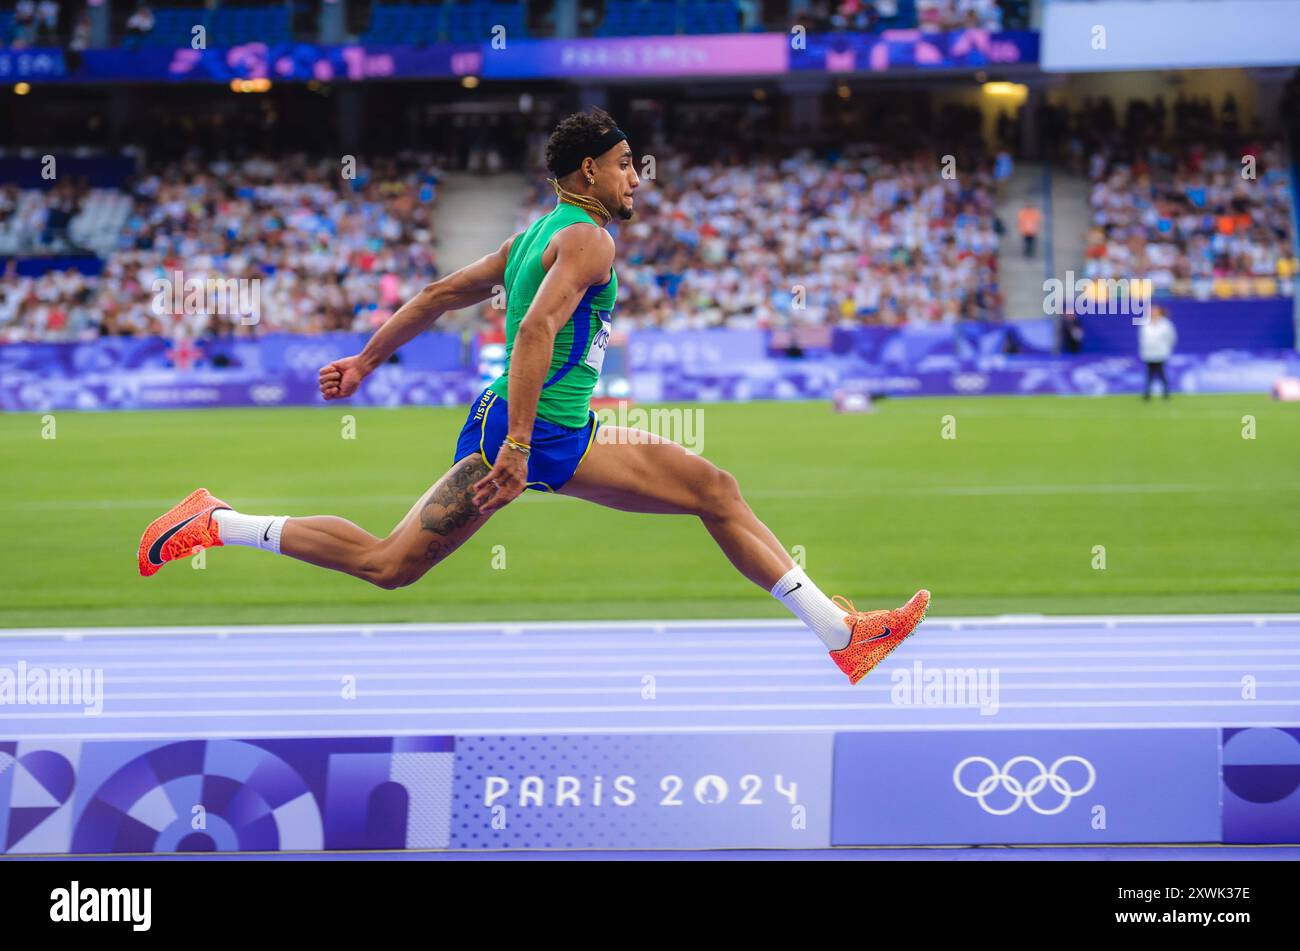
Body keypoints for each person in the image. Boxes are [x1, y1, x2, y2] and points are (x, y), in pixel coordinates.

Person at [136, 109, 931, 685]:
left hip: (558, 433)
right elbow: (533, 334)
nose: (634, 180)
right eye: (625, 165)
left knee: (713, 489)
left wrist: (368, 359)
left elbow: (445, 291)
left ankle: (840, 633)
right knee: (387, 564)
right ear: (588, 172)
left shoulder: (533, 237)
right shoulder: (587, 237)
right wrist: (516, 445)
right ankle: (215, 522)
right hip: (529, 436)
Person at [1139, 305, 1176, 400]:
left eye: (1155, 311)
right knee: (1149, 374)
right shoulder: (1145, 323)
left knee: (1161, 372)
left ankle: (1166, 392)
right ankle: (1147, 393)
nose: (1153, 313)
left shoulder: (1166, 324)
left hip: (1161, 352)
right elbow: (1142, 338)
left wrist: (1167, 349)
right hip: (1148, 353)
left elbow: (1171, 338)